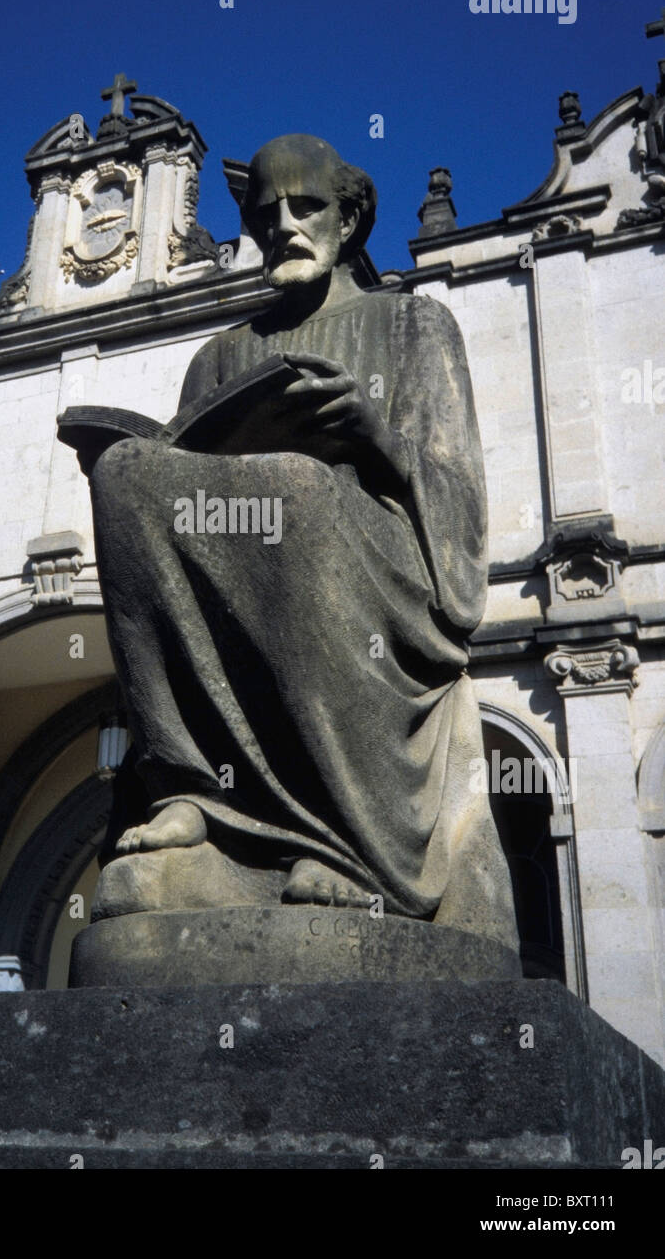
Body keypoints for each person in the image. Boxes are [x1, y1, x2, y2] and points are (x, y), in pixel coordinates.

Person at [88, 133, 517, 944]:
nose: (283, 225)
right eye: (266, 214)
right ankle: (195, 795)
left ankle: (352, 849)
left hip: (384, 574)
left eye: (306, 206)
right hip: (253, 562)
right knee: (123, 473)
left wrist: (375, 435)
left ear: (347, 221)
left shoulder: (413, 324)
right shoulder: (221, 354)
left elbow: (457, 491)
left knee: (294, 487)